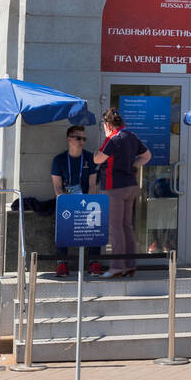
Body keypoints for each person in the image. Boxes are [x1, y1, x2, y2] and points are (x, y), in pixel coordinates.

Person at [92, 108, 151, 279]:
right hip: (130, 186)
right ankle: (130, 265)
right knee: (127, 226)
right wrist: (134, 166)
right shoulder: (131, 136)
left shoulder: (112, 138)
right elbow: (147, 156)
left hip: (114, 188)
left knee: (115, 227)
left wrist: (96, 153)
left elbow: (98, 159)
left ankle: (117, 266)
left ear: (107, 124)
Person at [51, 126, 104, 277]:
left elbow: (93, 184)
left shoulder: (89, 158)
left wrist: (86, 203)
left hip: (87, 202)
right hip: (67, 202)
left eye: (84, 139)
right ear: (69, 139)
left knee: (95, 219)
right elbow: (57, 186)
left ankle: (94, 262)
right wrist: (68, 203)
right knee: (63, 219)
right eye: (78, 138)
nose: (82, 141)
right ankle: (62, 263)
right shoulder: (59, 160)